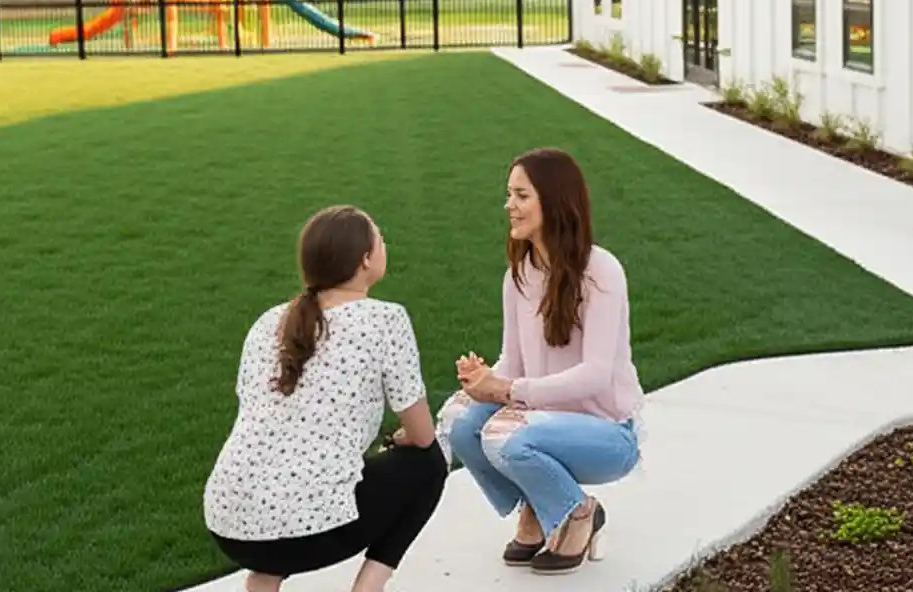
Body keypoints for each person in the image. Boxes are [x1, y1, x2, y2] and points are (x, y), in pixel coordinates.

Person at [203, 205, 447, 592]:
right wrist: (400, 439)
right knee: (431, 463)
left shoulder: (270, 320)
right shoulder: (386, 320)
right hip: (305, 535)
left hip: (227, 524)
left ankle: (262, 581)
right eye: (380, 239)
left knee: (294, 478)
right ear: (366, 259)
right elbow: (422, 435)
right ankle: (368, 588)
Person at [439, 147, 646, 576]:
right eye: (509, 195)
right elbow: (513, 361)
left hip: (609, 434)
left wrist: (509, 391)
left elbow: (595, 375)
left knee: (503, 436)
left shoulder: (601, 271)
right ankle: (539, 504)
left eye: (520, 195)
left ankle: (579, 513)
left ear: (553, 200)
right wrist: (482, 381)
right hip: (544, 420)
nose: (508, 206)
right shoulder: (519, 273)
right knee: (460, 420)